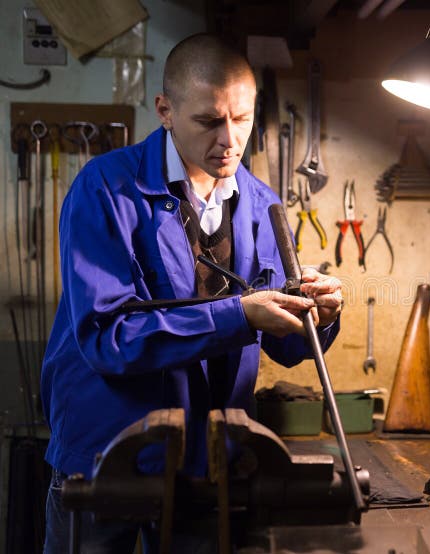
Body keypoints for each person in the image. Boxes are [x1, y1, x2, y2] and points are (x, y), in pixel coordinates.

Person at [41, 33, 343, 553]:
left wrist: (319, 312)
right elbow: (108, 338)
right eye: (209, 121)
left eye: (242, 118)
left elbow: (287, 349)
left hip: (209, 462)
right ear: (165, 110)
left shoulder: (260, 203)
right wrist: (240, 316)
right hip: (107, 457)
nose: (230, 139)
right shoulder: (104, 191)